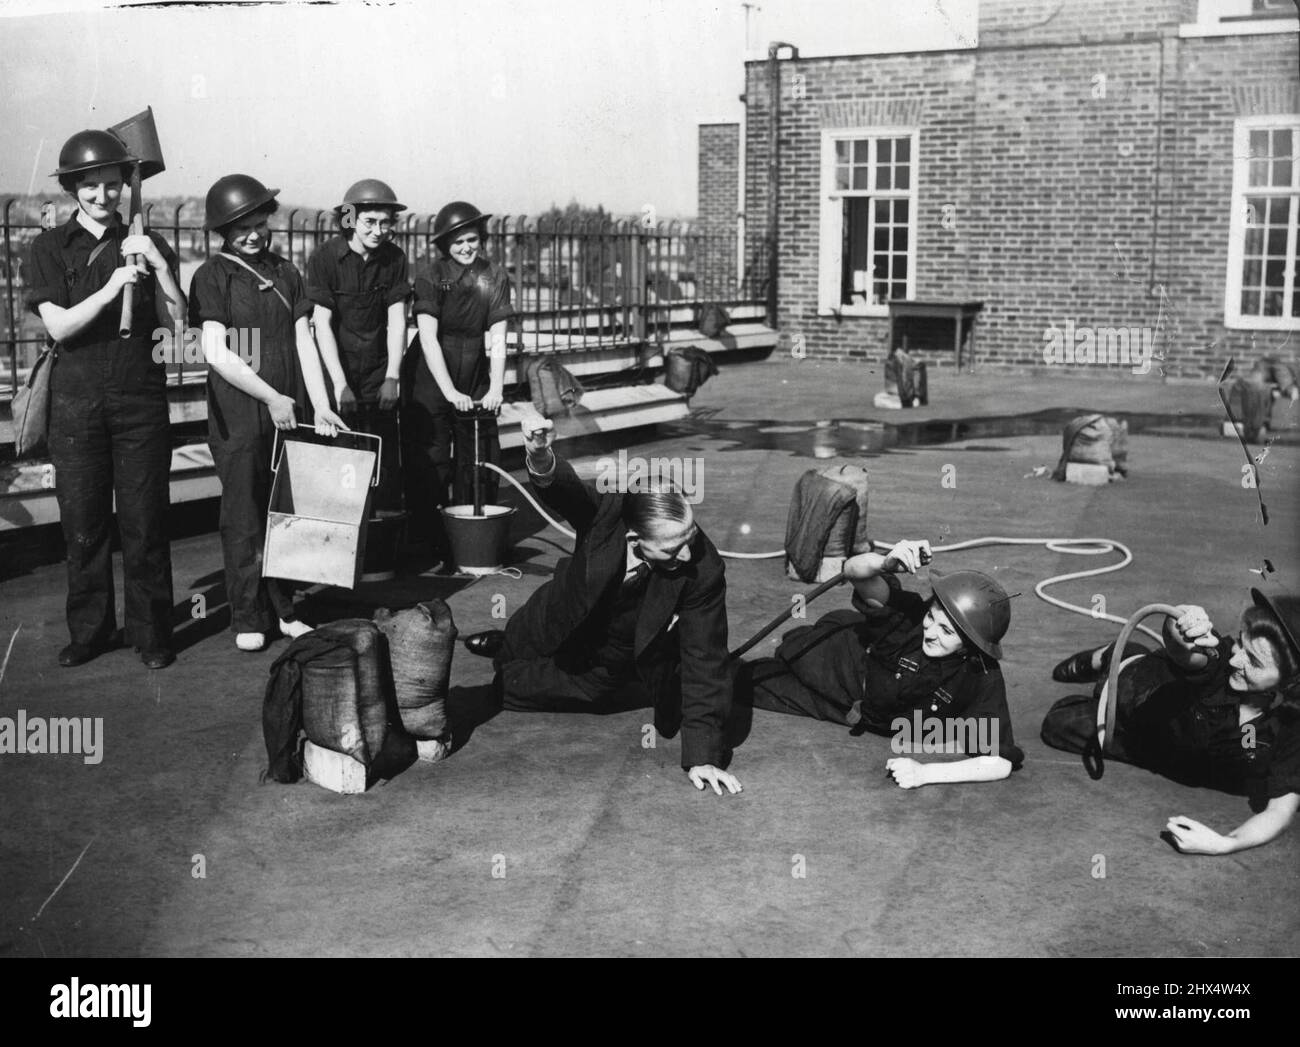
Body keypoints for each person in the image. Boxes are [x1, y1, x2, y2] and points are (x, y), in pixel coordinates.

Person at [462, 413, 742, 796]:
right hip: (562, 611)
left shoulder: (704, 569)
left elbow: (706, 657)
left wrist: (703, 755)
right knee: (519, 639)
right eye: (674, 547)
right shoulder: (609, 511)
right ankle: (507, 643)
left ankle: (514, 675)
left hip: (611, 658)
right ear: (633, 539)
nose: (689, 552)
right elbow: (566, 490)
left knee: (509, 689)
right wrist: (541, 456)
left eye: (690, 536)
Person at [26, 129, 187, 670]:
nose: (103, 196)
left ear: (125, 185)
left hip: (140, 400)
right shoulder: (47, 249)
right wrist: (114, 284)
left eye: (112, 184)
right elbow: (62, 326)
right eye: (90, 186)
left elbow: (177, 328)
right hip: (76, 403)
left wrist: (159, 269)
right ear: (73, 188)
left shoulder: (150, 241)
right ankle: (90, 632)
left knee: (145, 522)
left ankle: (152, 632)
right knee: (85, 525)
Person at [187, 174, 345, 652]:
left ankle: (287, 609)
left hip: (290, 406)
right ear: (223, 233)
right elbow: (215, 352)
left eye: (260, 224)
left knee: (286, 510)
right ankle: (249, 615)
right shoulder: (211, 277)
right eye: (242, 229)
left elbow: (304, 340)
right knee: (243, 515)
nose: (254, 235)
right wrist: (271, 397)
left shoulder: (285, 272)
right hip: (240, 411)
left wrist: (320, 403)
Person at [735, 540, 1024, 787]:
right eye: (932, 617)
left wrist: (925, 773)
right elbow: (853, 572)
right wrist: (884, 563)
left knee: (744, 684)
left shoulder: (981, 673)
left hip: (851, 708)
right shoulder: (910, 616)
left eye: (947, 631)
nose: (931, 632)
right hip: (836, 659)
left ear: (972, 647)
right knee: (787, 650)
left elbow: (999, 762)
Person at [1043, 590, 1300, 855]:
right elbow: (1184, 651)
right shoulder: (1220, 658)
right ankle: (1114, 655)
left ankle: (1120, 663)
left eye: (1254, 661)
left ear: (1291, 681)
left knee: (1058, 723)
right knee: (1119, 678)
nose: (1235, 660)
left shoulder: (1293, 729)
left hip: (1158, 749)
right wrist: (1182, 623)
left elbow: (1280, 811)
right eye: (1240, 643)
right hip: (1143, 693)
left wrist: (1225, 843)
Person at [403, 201, 512, 564]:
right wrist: (449, 391)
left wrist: (496, 387)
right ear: (444, 244)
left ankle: (473, 539)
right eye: (458, 241)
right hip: (430, 375)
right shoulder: (431, 276)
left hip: (475, 370)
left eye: (472, 239)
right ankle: (429, 542)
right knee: (432, 459)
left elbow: (497, 335)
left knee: (479, 456)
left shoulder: (494, 276)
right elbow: (429, 338)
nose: (467, 247)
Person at [305, 179, 410, 517]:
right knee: (341, 459)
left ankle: (383, 549)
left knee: (384, 460)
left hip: (379, 372)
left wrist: (393, 376)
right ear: (350, 219)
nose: (379, 231)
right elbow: (321, 324)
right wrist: (339, 384)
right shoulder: (325, 258)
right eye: (370, 222)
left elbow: (397, 320)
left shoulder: (394, 258)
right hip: (341, 373)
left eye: (385, 223)